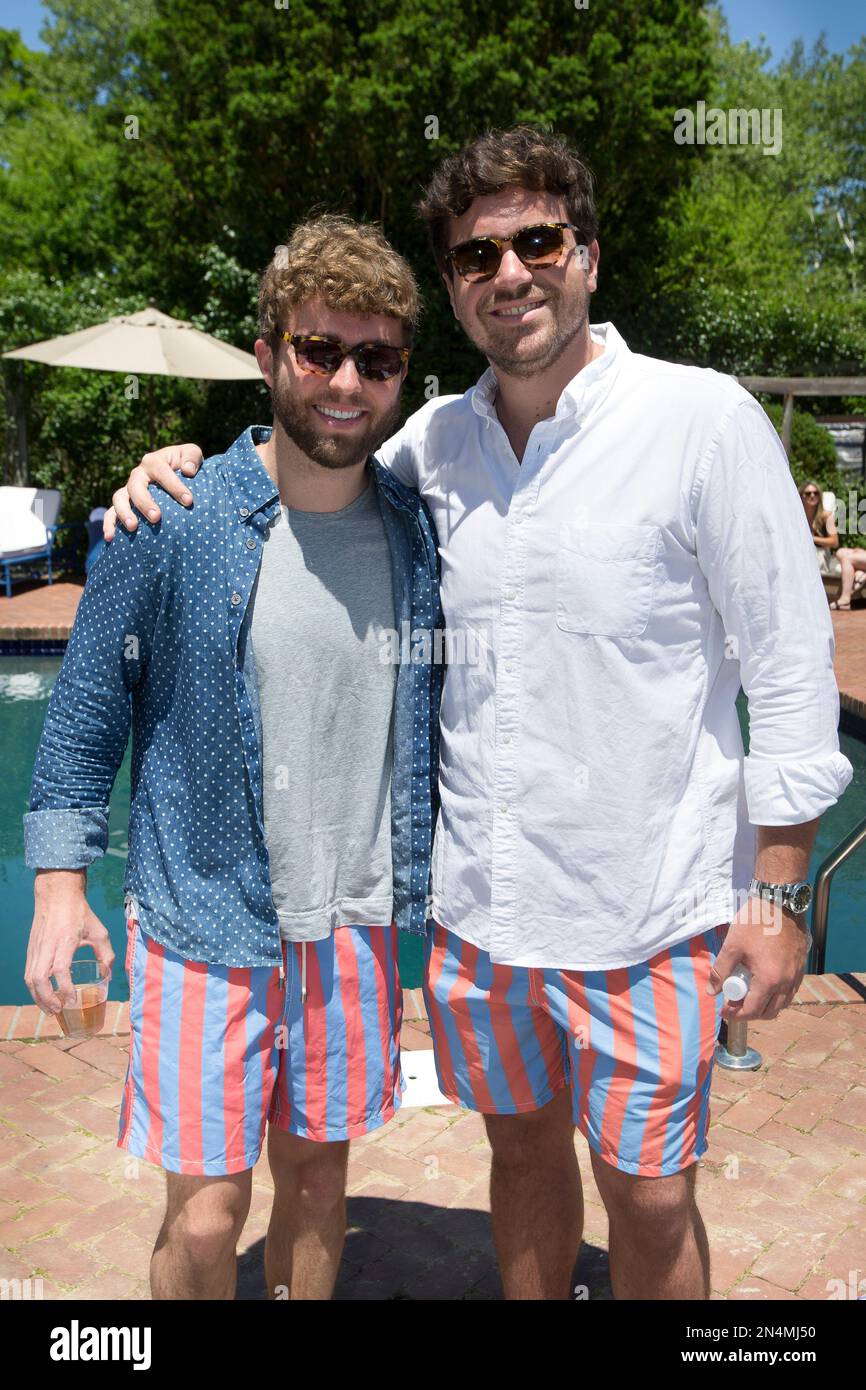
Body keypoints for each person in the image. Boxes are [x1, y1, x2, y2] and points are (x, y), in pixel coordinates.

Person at [104, 127, 853, 1301]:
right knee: (519, 1152)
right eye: (475, 254)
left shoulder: (698, 424)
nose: (509, 271)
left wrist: (773, 889)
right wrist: (176, 472)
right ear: (453, 286)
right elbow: (310, 465)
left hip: (647, 908)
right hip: (482, 918)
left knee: (652, 1192)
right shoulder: (432, 443)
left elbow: (791, 667)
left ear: (588, 255)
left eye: (536, 240)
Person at [23, 216, 443, 1300]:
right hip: (204, 920)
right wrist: (60, 889)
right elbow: (80, 719)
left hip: (349, 926)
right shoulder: (171, 516)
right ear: (268, 354)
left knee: (314, 1180)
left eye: (376, 358)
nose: (346, 381)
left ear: (401, 371)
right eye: (319, 351)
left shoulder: (414, 527)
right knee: (208, 1216)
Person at [799, 479, 839, 578]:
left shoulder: (827, 516)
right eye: (808, 493)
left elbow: (834, 542)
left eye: (816, 493)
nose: (812, 496)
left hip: (819, 554)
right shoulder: (797, 517)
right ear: (801, 496)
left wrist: (812, 539)